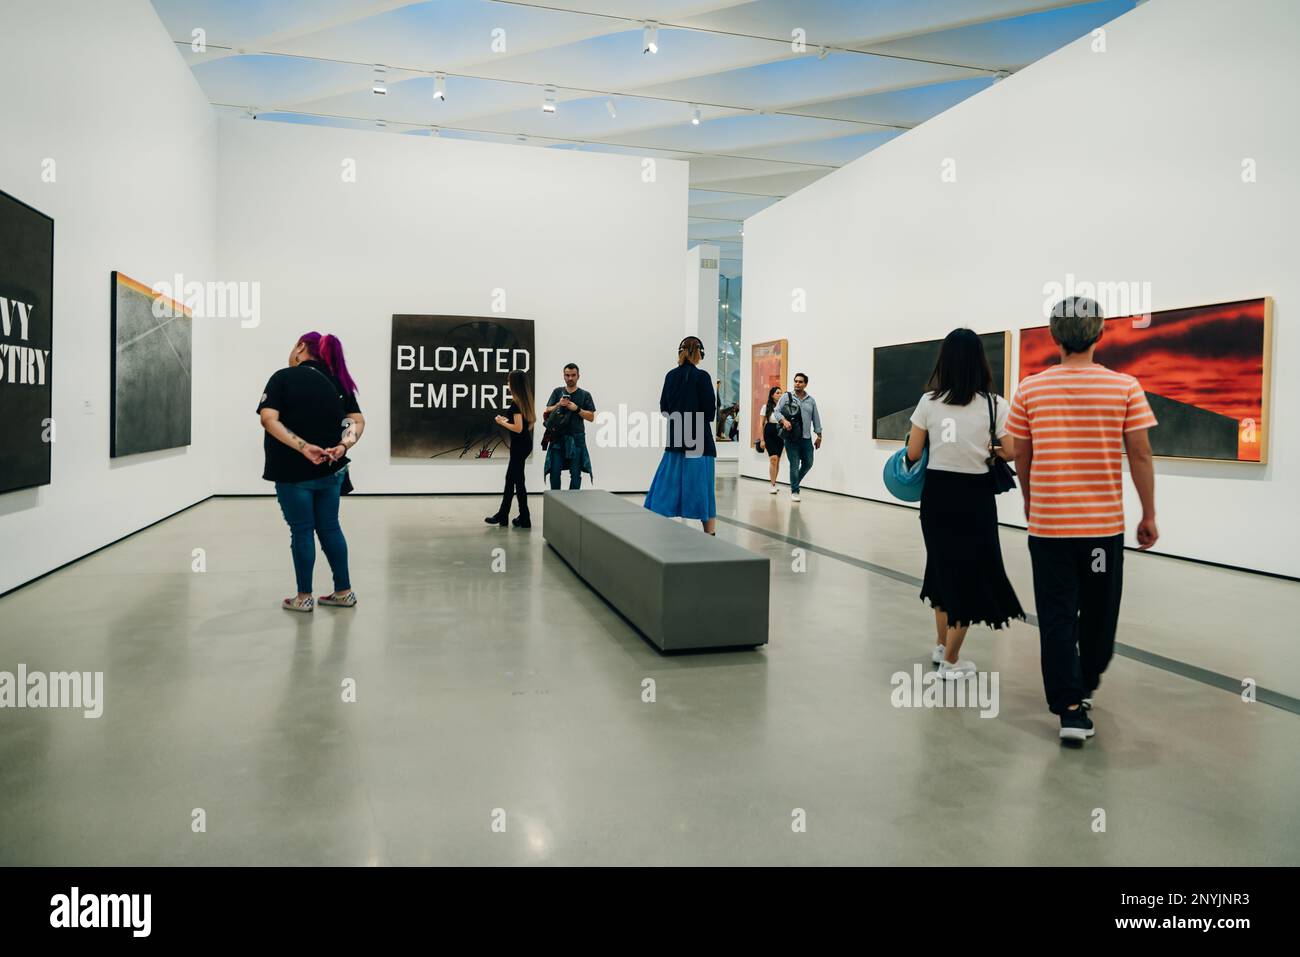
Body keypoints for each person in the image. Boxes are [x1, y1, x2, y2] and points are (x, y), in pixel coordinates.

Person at [1006, 297, 1158, 743]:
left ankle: (1070, 708)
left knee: (1055, 615)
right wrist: (1148, 513)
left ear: (1054, 335)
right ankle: (1085, 680)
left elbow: (1022, 456)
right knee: (1099, 610)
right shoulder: (1125, 387)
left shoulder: (1030, 390)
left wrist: (1032, 503)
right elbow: (1141, 453)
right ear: (1099, 333)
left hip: (1050, 530)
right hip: (1100, 533)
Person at [905, 329, 1025, 679]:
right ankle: (952, 662)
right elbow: (1013, 451)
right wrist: (989, 449)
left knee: (942, 570)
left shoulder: (929, 402)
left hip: (937, 496)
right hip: (975, 497)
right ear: (980, 362)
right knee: (970, 575)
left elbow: (913, 454)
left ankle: (942, 646)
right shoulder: (994, 404)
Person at [257, 332, 365, 612]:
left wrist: (303, 447)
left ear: (302, 347)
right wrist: (343, 446)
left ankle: (303, 598)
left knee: (302, 531)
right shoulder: (338, 382)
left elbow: (268, 420)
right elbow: (356, 422)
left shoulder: (283, 377)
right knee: (330, 527)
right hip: (332, 469)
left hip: (293, 473)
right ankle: (344, 592)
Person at [644, 336, 717, 533]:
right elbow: (710, 413)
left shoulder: (670, 376)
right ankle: (710, 536)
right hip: (700, 439)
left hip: (676, 436)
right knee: (703, 490)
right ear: (700, 354)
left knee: (666, 486)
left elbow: (664, 408)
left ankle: (655, 533)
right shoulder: (703, 377)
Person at [486, 369, 535, 529]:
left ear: (514, 384)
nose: (507, 384)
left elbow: (519, 428)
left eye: (509, 381)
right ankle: (515, 516)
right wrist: (510, 421)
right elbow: (530, 424)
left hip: (519, 446)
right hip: (525, 444)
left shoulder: (516, 403)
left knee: (514, 481)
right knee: (515, 481)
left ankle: (507, 515)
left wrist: (502, 422)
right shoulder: (526, 401)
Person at [541, 363, 595, 489]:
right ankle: (556, 502)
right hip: (557, 439)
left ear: (578, 376)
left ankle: (573, 504)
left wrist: (577, 409)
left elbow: (591, 417)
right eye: (567, 375)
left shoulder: (585, 395)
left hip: (577, 439)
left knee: (576, 474)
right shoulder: (557, 392)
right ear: (563, 376)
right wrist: (559, 405)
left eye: (573, 375)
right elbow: (548, 409)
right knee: (554, 473)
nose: (570, 378)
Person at [771, 372, 822, 502]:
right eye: (796, 381)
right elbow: (776, 411)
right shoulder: (786, 397)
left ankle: (795, 482)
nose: (797, 384)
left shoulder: (811, 400)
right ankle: (795, 490)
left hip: (806, 438)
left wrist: (819, 435)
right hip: (791, 438)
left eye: (800, 382)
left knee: (808, 463)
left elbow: (815, 418)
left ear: (805, 384)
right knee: (794, 464)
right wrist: (783, 421)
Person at [758, 385, 785, 493]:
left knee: (777, 460)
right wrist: (762, 439)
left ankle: (774, 482)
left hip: (780, 432)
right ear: (772, 395)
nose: (780, 395)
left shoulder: (783, 407)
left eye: (781, 393)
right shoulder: (766, 407)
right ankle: (772, 484)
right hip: (769, 431)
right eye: (777, 393)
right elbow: (761, 424)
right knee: (773, 458)